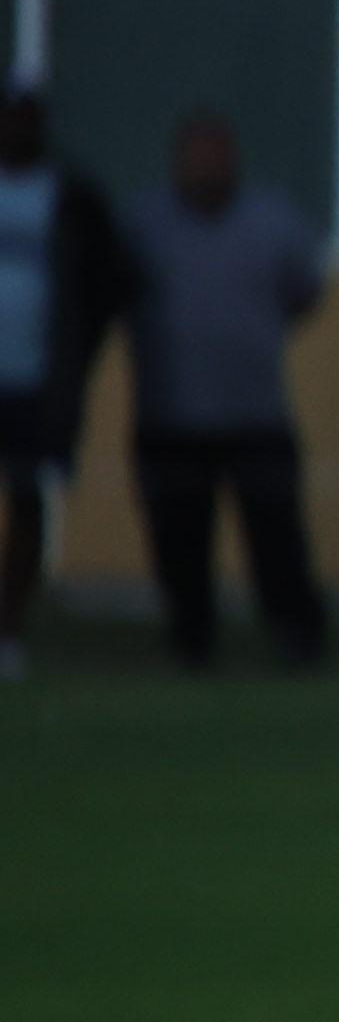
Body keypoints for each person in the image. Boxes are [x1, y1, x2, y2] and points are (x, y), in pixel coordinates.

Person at [127, 108, 326, 669]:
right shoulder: (145, 223)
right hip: (171, 413)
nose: (208, 166)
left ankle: (297, 639)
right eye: (198, 155)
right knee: (179, 540)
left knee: (276, 537)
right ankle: (191, 644)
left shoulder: (272, 221)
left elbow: (304, 293)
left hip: (255, 413)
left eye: (218, 154)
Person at [0, 77, 133, 682]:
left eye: (26, 117)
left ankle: (10, 625)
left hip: (35, 382)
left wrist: (78, 357)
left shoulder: (73, 199)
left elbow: (106, 285)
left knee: (28, 501)